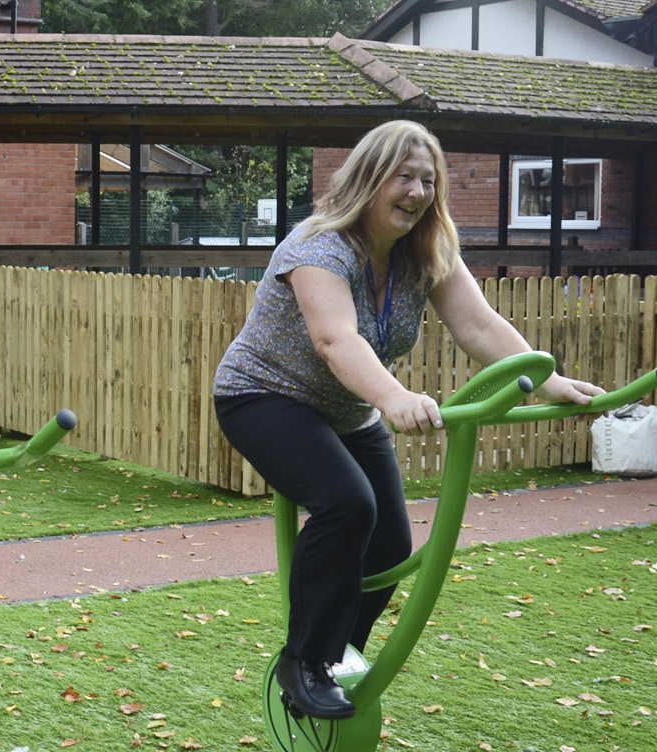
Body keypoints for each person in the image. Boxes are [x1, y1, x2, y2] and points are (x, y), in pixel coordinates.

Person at [212, 120, 603, 721]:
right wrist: (395, 397)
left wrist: (547, 377)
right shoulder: (318, 247)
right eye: (405, 177)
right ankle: (304, 661)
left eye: (428, 181)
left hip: (346, 410)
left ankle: (337, 653)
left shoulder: (426, 254)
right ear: (369, 178)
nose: (418, 193)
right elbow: (334, 338)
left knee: (390, 543)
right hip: (265, 395)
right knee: (348, 505)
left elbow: (478, 326)